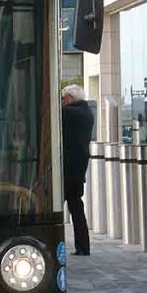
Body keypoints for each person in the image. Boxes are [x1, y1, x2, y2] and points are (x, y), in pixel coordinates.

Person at [61, 84, 94, 255]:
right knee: (76, 208)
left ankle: (79, 246)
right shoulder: (86, 112)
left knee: (61, 207)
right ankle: (83, 246)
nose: (62, 101)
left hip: (68, 169)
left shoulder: (70, 113)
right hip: (78, 168)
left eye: (64, 97)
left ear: (71, 97)